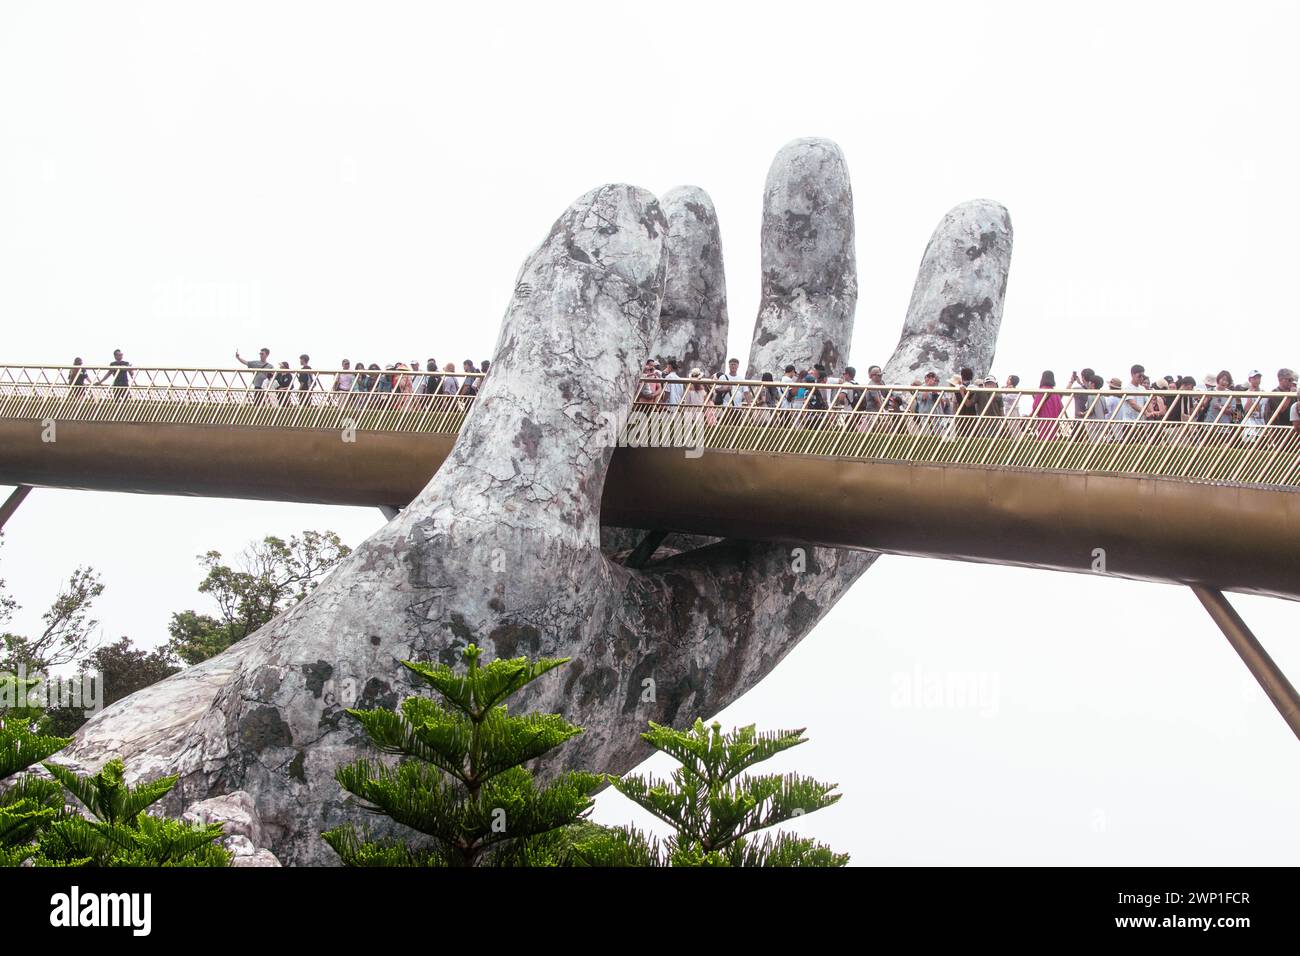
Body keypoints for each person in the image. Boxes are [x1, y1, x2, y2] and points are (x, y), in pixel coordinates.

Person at [1032, 370, 1064, 440]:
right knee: (1052, 441)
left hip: (1044, 421)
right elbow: (1061, 407)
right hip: (1054, 421)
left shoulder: (1041, 391)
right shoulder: (1056, 393)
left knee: (1044, 440)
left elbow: (1035, 407)